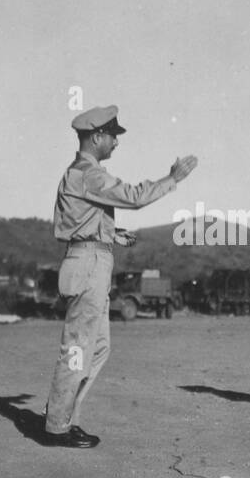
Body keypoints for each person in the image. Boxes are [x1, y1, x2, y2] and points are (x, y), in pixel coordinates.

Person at [42, 105, 197, 448]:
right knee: (79, 350)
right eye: (113, 136)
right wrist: (172, 180)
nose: (116, 143)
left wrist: (111, 234)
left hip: (91, 260)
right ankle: (56, 426)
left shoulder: (78, 175)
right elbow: (134, 197)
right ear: (96, 137)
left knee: (98, 348)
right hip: (88, 265)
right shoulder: (89, 174)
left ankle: (65, 414)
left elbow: (77, 222)